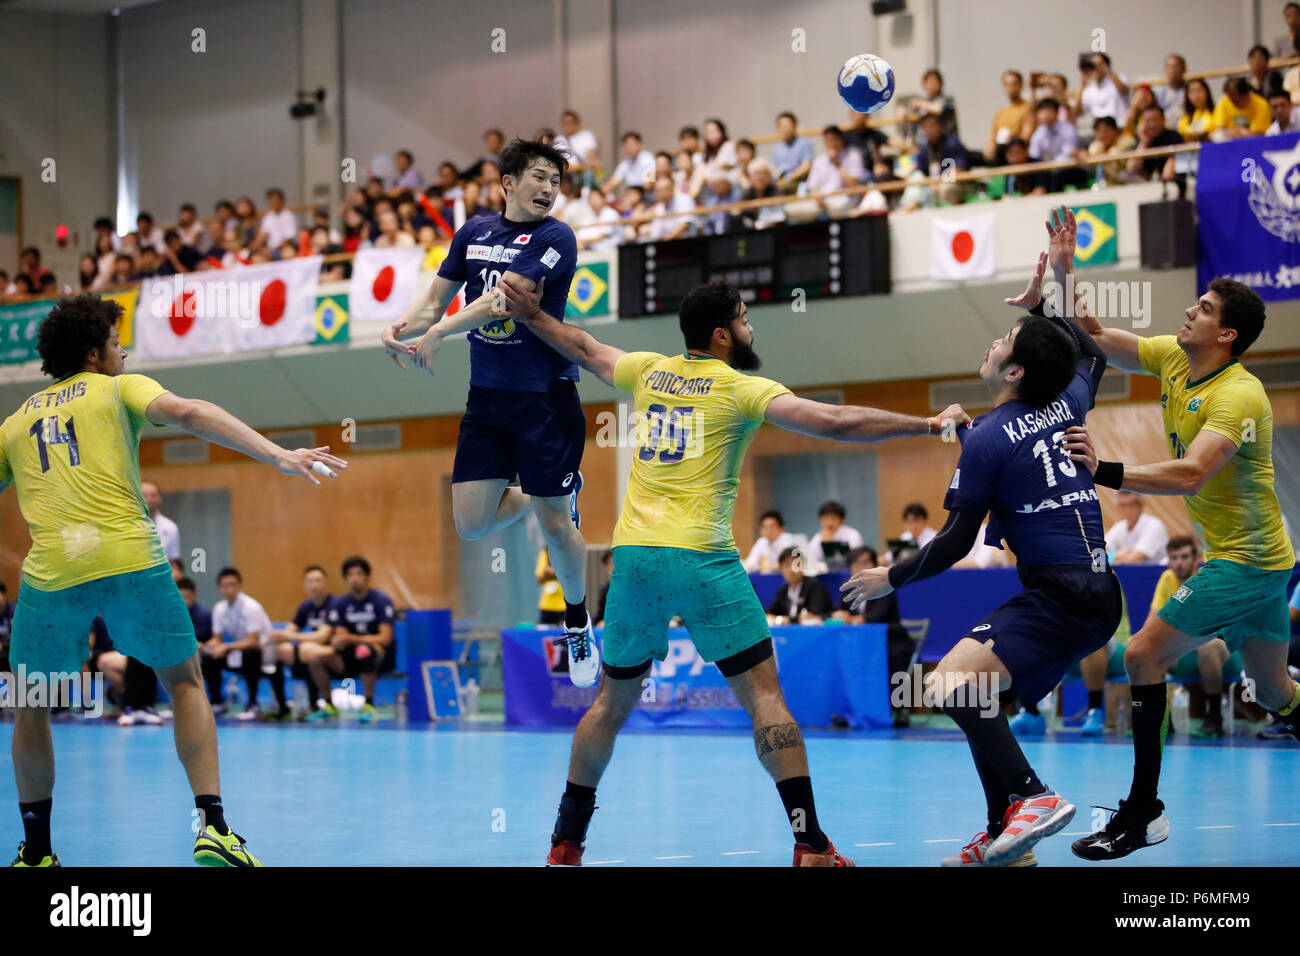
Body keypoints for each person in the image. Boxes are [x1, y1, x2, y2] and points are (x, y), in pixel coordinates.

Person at [492, 276, 967, 867]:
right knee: (764, 697)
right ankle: (809, 843)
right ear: (721, 335)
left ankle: (565, 844)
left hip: (635, 555)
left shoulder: (648, 370)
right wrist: (928, 424)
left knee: (611, 706)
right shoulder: (743, 390)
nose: (750, 328)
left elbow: (583, 347)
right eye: (744, 319)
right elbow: (835, 422)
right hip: (703, 556)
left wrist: (528, 313)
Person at [3, 294, 345, 867]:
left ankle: (36, 850)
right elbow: (188, 412)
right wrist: (277, 455)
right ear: (94, 352)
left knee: (31, 703)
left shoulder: (15, 424)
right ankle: (212, 826)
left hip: (52, 570)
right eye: (117, 344)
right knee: (185, 683)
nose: (125, 352)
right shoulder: (119, 388)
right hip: (129, 557)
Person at [841, 236, 1119, 868]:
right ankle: (1004, 837)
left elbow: (955, 541)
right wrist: (1048, 306)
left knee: (950, 682)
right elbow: (1092, 355)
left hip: (1062, 594)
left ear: (1015, 372)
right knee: (970, 690)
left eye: (1004, 342)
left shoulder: (989, 439)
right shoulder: (1063, 401)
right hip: (1095, 594)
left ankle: (1032, 797)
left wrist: (894, 576)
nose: (994, 342)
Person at [1046, 207, 1298, 861]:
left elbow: (1191, 474)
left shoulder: (1238, 397)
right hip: (1268, 561)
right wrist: (1067, 270)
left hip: (1245, 564)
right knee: (1274, 691)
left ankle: (1142, 811)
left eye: (1206, 307)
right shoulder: (1174, 361)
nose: (1192, 310)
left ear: (1228, 334)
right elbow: (1094, 332)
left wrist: (1102, 467)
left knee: (1141, 655)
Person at [380, 138, 599, 688]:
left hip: (545, 396)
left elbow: (507, 297)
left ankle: (577, 619)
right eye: (539, 178)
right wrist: (401, 325)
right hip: (489, 401)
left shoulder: (556, 237)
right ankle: (546, 490)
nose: (549, 189)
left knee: (555, 525)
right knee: (472, 525)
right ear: (508, 182)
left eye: (555, 180)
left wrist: (441, 331)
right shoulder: (474, 232)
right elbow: (436, 296)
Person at [1153, 537, 1241, 739]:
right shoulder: (1167, 579)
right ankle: (1163, 719)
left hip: (1225, 651)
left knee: (1208, 646)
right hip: (1185, 653)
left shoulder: (1207, 578)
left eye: (1184, 557)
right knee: (1148, 650)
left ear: (1196, 559)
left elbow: (1216, 627)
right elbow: (1154, 620)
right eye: (1173, 558)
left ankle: (1215, 716)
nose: (1178, 563)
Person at [832, 546, 915, 726]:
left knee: (890, 656)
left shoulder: (884, 586)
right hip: (860, 645)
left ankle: (897, 708)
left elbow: (877, 616)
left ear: (874, 565)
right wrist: (839, 616)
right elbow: (839, 612)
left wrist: (854, 619)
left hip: (890, 639)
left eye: (866, 563)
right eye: (856, 564)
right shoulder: (848, 589)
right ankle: (848, 710)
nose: (861, 567)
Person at [306, 556, 395, 722]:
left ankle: (369, 705)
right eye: (351, 575)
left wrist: (352, 639)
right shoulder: (341, 604)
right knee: (315, 659)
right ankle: (329, 705)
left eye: (359, 574)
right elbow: (341, 636)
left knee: (364, 650)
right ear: (346, 578)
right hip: (348, 657)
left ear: (367, 577)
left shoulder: (380, 601)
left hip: (379, 655)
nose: (355, 578)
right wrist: (338, 641)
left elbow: (385, 638)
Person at [210, 568, 289, 722]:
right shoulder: (219, 608)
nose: (230, 589)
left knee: (250, 655)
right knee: (209, 657)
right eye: (225, 585)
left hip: (266, 655)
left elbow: (253, 642)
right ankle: (217, 702)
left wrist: (227, 647)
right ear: (220, 588)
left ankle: (253, 704)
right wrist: (205, 646)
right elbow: (217, 639)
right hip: (239, 652)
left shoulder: (251, 606)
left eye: (233, 584)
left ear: (240, 586)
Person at [269, 565, 337, 717]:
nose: (314, 585)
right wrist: (278, 636)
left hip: (334, 653)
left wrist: (290, 637)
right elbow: (291, 629)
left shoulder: (334, 604)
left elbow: (322, 636)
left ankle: (321, 704)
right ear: (304, 585)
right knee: (277, 650)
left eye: (318, 580)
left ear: (326, 582)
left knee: (307, 649)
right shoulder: (306, 606)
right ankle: (282, 707)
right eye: (310, 581)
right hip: (310, 652)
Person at [765, 547, 832, 623]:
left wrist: (787, 620)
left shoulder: (814, 586)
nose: (791, 569)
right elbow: (769, 612)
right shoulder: (783, 590)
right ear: (781, 569)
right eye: (787, 565)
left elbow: (812, 616)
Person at [1105, 490, 1169, 563]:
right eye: (1123, 505)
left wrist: (1110, 556)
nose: (1127, 509)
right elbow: (1099, 555)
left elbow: (1134, 559)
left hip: (1155, 573)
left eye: (1131, 504)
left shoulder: (1154, 525)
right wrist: (1123, 553)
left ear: (1141, 505)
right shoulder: (1119, 526)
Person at [804, 501, 864, 572]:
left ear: (841, 519)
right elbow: (811, 558)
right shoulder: (818, 537)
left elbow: (857, 558)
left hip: (849, 572)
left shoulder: (852, 534)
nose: (830, 522)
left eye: (833, 518)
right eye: (826, 518)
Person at [141, 479, 180, 563]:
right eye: (144, 495)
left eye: (153, 495)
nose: (149, 500)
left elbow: (174, 561)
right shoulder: (128, 525)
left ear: (160, 498)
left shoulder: (170, 527)